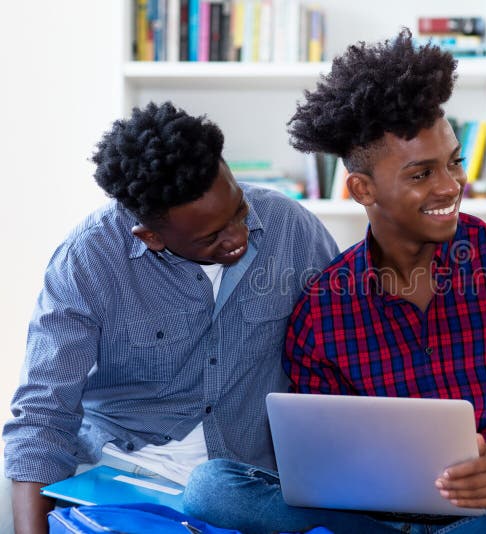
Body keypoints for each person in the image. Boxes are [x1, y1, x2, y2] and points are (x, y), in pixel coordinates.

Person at [184, 30, 486, 534]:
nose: (450, 185)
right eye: (421, 174)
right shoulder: (323, 307)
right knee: (212, 488)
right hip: (374, 521)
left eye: (454, 161)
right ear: (361, 188)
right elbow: (320, 466)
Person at [2, 101, 339, 533]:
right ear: (152, 237)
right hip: (122, 477)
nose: (239, 236)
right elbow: (43, 412)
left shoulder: (291, 229)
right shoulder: (89, 259)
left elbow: (340, 350)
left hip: (248, 485)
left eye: (238, 211)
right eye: (212, 236)